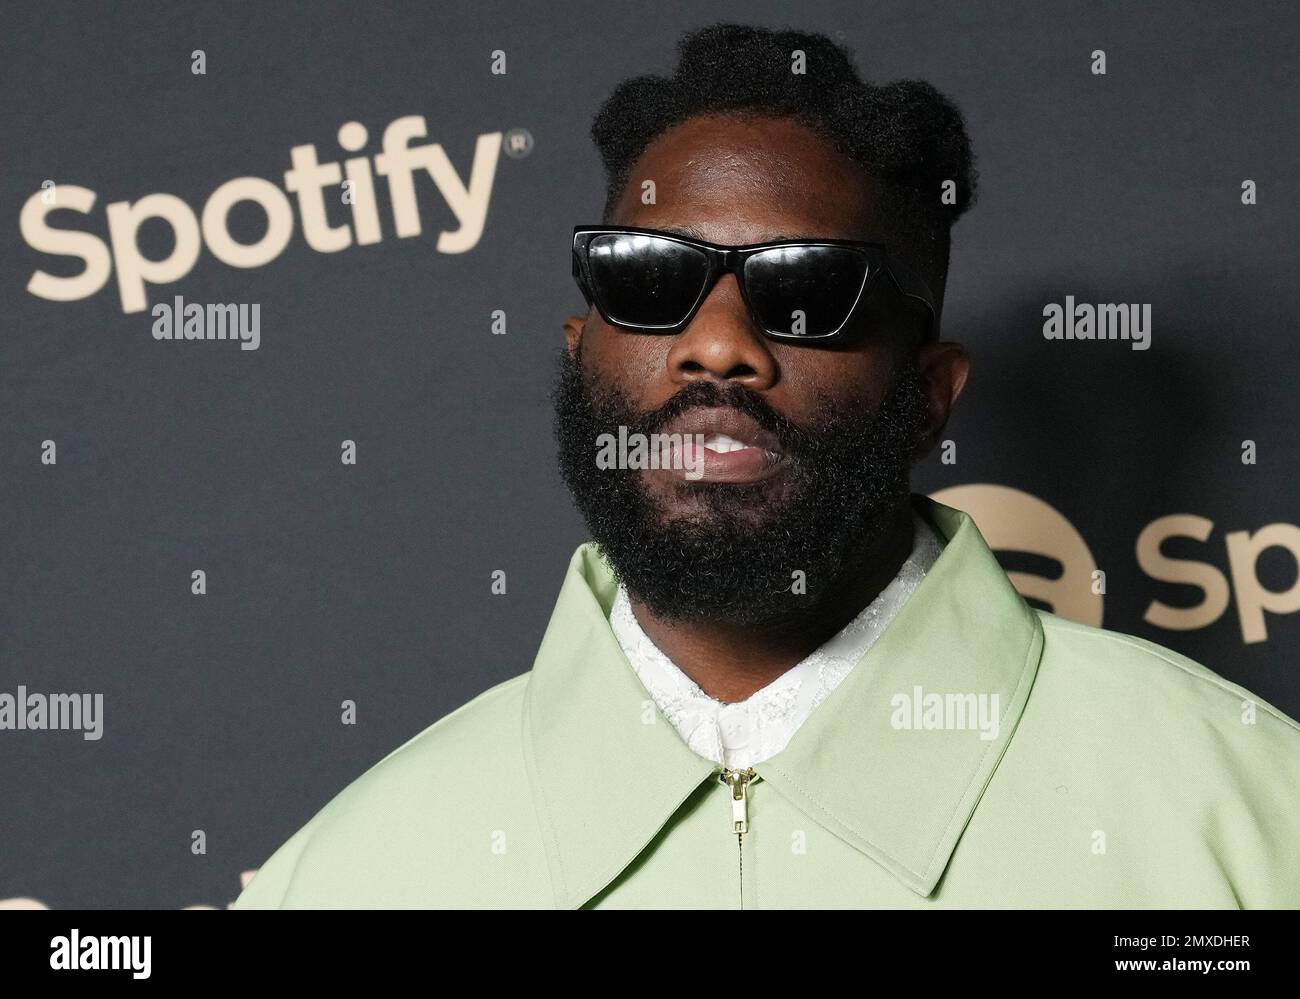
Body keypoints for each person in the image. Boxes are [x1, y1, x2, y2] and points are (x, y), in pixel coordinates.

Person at [233, 22, 1300, 909]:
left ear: (930, 393)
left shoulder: (1248, 815)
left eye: (807, 290)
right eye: (649, 279)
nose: (718, 344)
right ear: (579, 346)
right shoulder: (342, 880)